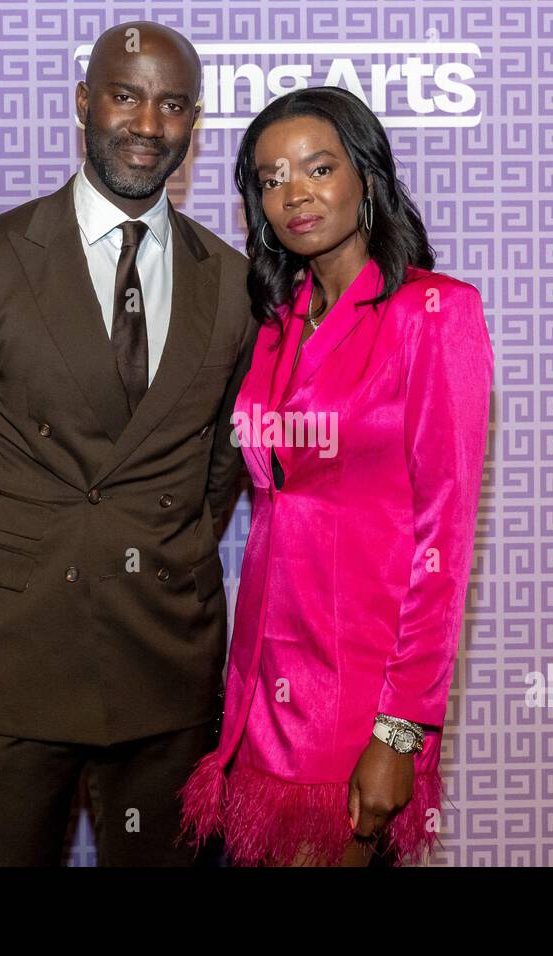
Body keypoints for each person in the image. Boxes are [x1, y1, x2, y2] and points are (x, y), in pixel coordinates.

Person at [0, 21, 256, 865]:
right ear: (85, 102)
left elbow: (214, 470)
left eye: (171, 106)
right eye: (126, 96)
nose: (147, 125)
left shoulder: (233, 284)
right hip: (8, 674)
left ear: (194, 125)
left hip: (168, 674)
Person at [176, 86, 493, 866]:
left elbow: (441, 545)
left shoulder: (433, 315)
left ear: (367, 178)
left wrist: (400, 730)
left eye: (318, 168)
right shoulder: (276, 324)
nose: (295, 193)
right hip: (260, 687)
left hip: (359, 696)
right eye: (272, 177)